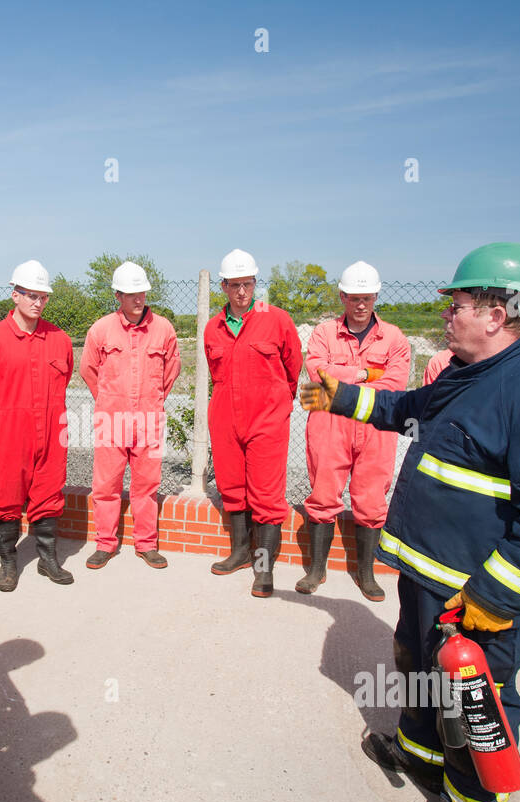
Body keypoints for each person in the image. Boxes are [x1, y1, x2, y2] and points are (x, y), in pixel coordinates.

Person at [301, 242, 520, 802]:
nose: (447, 316)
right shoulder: (465, 375)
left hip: (477, 596)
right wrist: (344, 398)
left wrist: (494, 594)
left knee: (475, 695)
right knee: (418, 666)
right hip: (428, 578)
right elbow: (408, 409)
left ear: (495, 312)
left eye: (457, 304)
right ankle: (421, 752)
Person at [297, 261, 411, 598]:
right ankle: (316, 570)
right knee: (322, 495)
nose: (360, 305)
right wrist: (364, 374)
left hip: (376, 424)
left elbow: (395, 382)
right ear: (343, 297)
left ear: (376, 296)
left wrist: (341, 376)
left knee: (373, 499)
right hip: (329, 420)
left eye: (367, 298)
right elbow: (316, 373)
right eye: (353, 298)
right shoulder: (323, 332)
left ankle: (366, 573)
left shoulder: (393, 337)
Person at [0, 260, 74, 590]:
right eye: (31, 295)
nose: (37, 303)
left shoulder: (59, 339)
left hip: (51, 433)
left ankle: (47, 559)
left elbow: (66, 377)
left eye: (43, 297)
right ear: (14, 295)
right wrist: (8, 413)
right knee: (5, 494)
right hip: (10, 434)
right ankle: (8, 562)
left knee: (48, 491)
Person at [204, 249, 302, 597]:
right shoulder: (213, 328)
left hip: (267, 419)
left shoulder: (277, 320)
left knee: (265, 494)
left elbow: (293, 368)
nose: (242, 292)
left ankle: (263, 569)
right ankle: (240, 553)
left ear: (255, 283)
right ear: (224, 286)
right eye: (234, 285)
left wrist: (276, 403)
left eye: (247, 284)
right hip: (226, 418)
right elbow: (217, 374)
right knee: (232, 487)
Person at [80, 262, 181, 569]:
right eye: (131, 293)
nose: (138, 298)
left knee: (147, 486)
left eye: (142, 292)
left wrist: (153, 401)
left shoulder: (163, 328)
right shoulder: (101, 329)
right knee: (106, 485)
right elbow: (88, 369)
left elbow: (171, 370)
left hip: (149, 421)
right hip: (111, 421)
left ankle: (147, 544)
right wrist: (109, 400)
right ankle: (105, 544)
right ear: (118, 295)